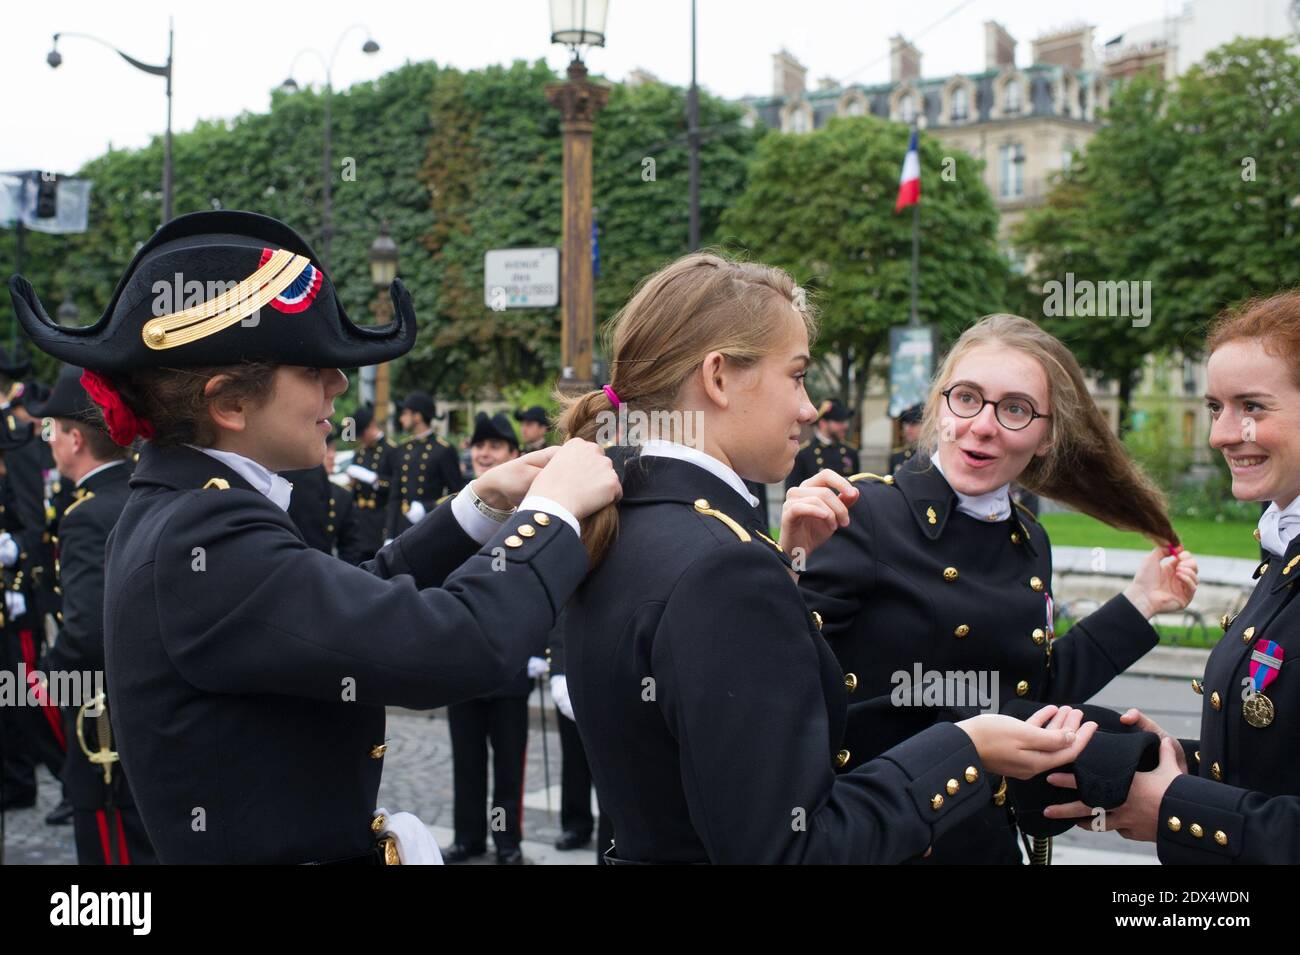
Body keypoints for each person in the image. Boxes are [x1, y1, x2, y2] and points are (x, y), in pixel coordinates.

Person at [7, 209, 620, 864]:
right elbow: (454, 645)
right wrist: (553, 515)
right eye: (312, 368)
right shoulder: (205, 530)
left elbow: (348, 606)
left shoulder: (184, 505)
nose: (339, 383)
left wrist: (483, 503)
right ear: (229, 404)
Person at [558, 252, 1098, 864]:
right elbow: (788, 849)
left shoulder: (621, 519)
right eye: (796, 376)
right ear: (717, 377)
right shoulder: (726, 562)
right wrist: (964, 749)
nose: (809, 408)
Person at [798, 313, 1198, 863]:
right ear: (940, 404)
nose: (983, 425)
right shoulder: (863, 514)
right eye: (966, 397)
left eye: (1015, 409)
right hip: (884, 835)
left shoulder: (1031, 539)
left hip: (985, 839)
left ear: (1046, 435)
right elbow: (785, 676)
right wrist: (789, 562)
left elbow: (1033, 692)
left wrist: (1141, 602)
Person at [1045, 291, 1300, 863]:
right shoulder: (1285, 549)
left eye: (1252, 407)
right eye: (1216, 407)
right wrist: (1169, 763)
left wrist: (1177, 806)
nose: (1222, 434)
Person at [30, 364, 156, 863]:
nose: (50, 442)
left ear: (75, 439)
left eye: (54, 432)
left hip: (102, 717)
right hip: (153, 706)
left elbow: (85, 632)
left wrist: (46, 683)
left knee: (108, 842)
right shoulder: (146, 491)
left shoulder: (84, 515)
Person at [443, 412, 547, 865]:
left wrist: (543, 652)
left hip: (509, 659)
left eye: (496, 446)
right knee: (466, 760)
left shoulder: (530, 513)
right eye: (479, 445)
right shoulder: (455, 509)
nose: (485, 453)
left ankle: (508, 843)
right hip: (461, 657)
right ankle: (468, 837)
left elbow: (544, 583)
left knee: (509, 763)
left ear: (513, 456)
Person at [384, 392, 464, 541]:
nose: (401, 418)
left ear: (417, 416)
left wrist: (428, 507)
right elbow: (395, 496)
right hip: (402, 526)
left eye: (405, 413)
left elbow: (457, 493)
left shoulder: (443, 450)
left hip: (429, 524)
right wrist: (389, 534)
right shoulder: (402, 449)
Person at [283, 426, 366, 565]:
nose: (332, 455)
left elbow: (350, 548)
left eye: (334, 449)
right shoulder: (289, 486)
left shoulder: (342, 495)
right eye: (327, 448)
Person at [343, 404, 393, 559]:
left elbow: (397, 487)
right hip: (360, 520)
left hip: (380, 519)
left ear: (372, 425)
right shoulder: (360, 453)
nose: (361, 438)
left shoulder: (391, 451)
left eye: (362, 433)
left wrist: (374, 479)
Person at [786, 397, 859, 490]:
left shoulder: (851, 452)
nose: (845, 426)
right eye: (839, 421)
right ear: (823, 423)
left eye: (845, 421)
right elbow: (792, 495)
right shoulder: (802, 455)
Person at [888, 403, 923, 474]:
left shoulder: (933, 457)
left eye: (913, 423)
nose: (907, 428)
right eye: (905, 423)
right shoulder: (897, 457)